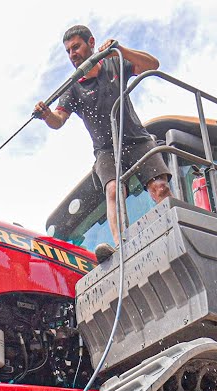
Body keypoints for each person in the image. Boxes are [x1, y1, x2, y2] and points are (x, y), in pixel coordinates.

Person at [36, 25, 171, 259]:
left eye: (76, 47)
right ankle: (122, 248)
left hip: (136, 139)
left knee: (160, 187)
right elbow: (58, 121)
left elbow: (152, 65)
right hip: (106, 150)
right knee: (112, 189)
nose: (72, 55)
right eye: (68, 51)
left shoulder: (114, 63)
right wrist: (46, 114)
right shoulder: (72, 88)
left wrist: (120, 49)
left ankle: (172, 225)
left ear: (91, 42)